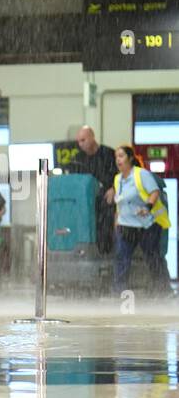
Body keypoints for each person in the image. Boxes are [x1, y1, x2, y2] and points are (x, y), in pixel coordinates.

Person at [109, 145, 166, 296]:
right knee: (121, 259)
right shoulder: (117, 179)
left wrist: (147, 207)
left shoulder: (141, 175)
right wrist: (117, 223)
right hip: (125, 226)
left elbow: (154, 192)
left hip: (145, 225)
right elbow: (119, 203)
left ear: (130, 158)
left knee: (152, 258)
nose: (118, 160)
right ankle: (120, 292)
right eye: (116, 157)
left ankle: (162, 290)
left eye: (121, 156)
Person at [68, 126, 117, 257]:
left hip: (107, 201)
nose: (80, 144)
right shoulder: (77, 160)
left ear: (92, 137)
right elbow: (74, 182)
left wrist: (114, 188)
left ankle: (107, 252)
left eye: (83, 140)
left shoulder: (109, 154)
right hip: (86, 203)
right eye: (78, 141)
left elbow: (121, 176)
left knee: (105, 223)